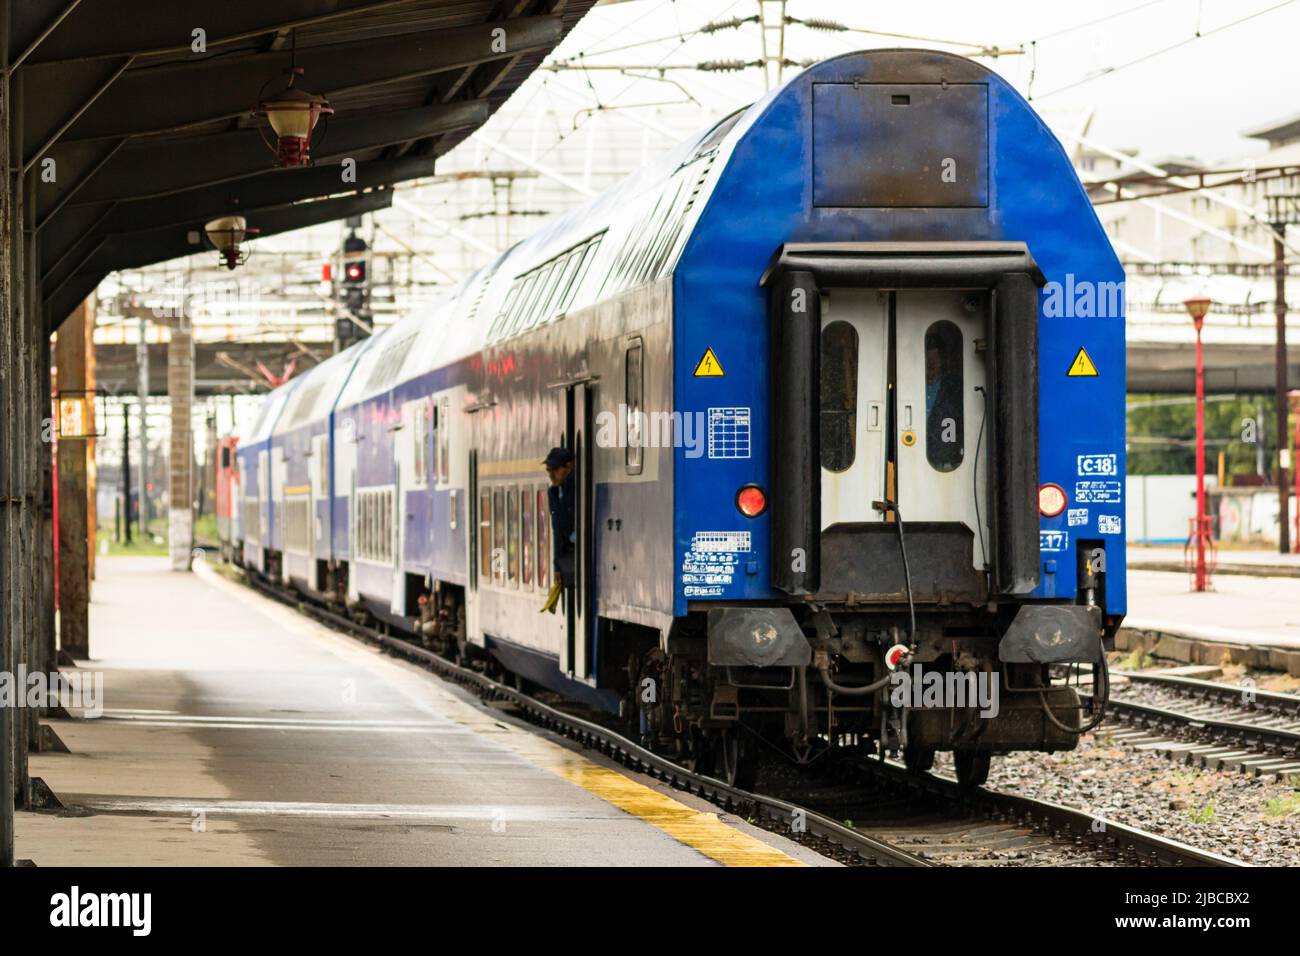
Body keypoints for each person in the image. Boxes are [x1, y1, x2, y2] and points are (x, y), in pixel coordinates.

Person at [540, 448, 576, 613]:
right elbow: (557, 532)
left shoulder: (575, 488)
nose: (551, 474)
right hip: (567, 556)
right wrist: (557, 565)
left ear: (569, 466)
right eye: (549, 470)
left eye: (555, 469)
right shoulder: (554, 492)